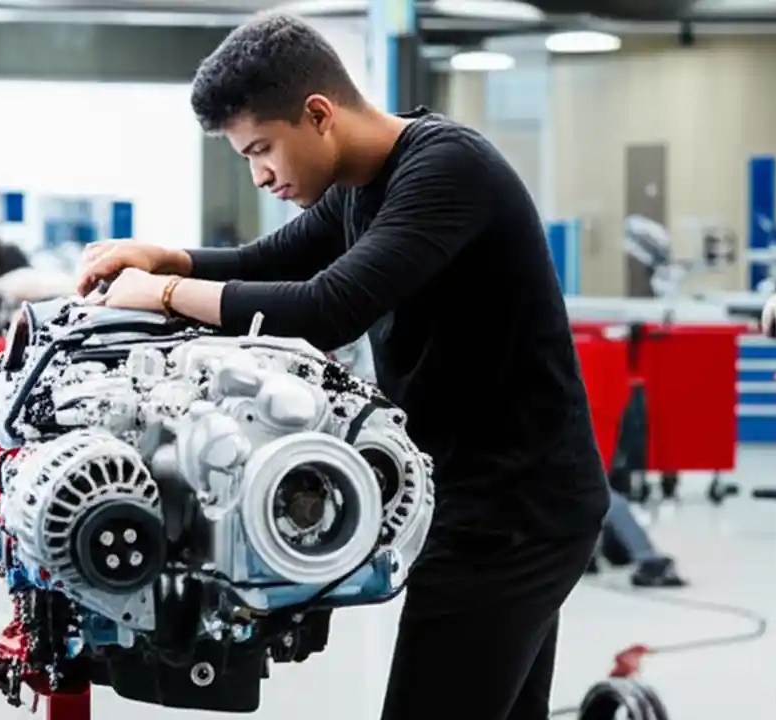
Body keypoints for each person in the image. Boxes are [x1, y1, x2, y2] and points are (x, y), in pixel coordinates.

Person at [76, 15, 610, 720]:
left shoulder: (448, 170)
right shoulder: (362, 184)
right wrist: (165, 257)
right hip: (479, 498)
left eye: (262, 148)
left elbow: (328, 307)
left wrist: (168, 294)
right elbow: (271, 263)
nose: (260, 174)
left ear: (318, 115)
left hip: (516, 513)